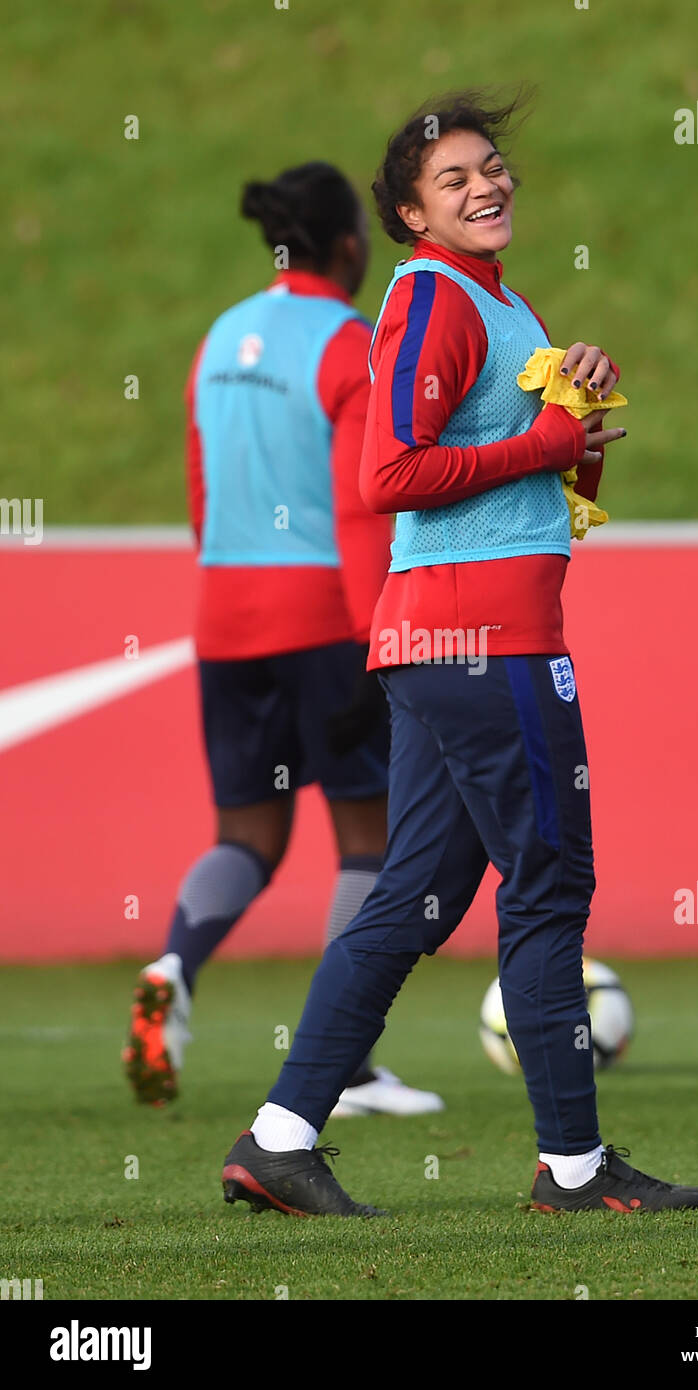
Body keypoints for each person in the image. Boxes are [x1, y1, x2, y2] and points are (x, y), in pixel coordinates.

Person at [221, 95, 698, 1217]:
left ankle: (279, 1137)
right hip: (486, 643)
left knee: (416, 899)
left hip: (445, 638)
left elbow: (530, 490)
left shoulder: (500, 304)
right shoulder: (435, 297)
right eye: (452, 180)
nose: (484, 185)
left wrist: (572, 436)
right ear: (408, 213)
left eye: (491, 167)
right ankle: (574, 1171)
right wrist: (544, 439)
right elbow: (387, 475)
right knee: (548, 886)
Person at [123, 161, 443, 1119]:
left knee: (247, 837)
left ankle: (172, 964)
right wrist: (369, 634)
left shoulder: (219, 336)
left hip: (224, 616)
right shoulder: (349, 342)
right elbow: (357, 504)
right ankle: (339, 1064)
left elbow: (200, 490)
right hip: (321, 617)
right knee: (373, 840)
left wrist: (229, 588)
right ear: (349, 245)